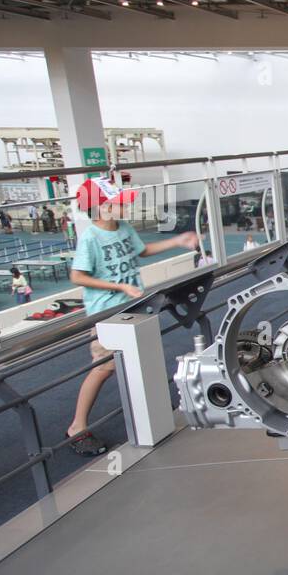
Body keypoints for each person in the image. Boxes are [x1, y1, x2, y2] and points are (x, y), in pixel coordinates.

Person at [66, 177, 198, 457]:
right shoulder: (90, 237)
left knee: (138, 362)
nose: (125, 207)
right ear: (101, 207)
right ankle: (76, 427)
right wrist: (119, 286)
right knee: (102, 368)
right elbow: (77, 275)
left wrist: (178, 240)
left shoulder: (124, 228)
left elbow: (142, 251)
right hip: (107, 312)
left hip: (132, 309)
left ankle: (147, 418)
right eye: (117, 203)